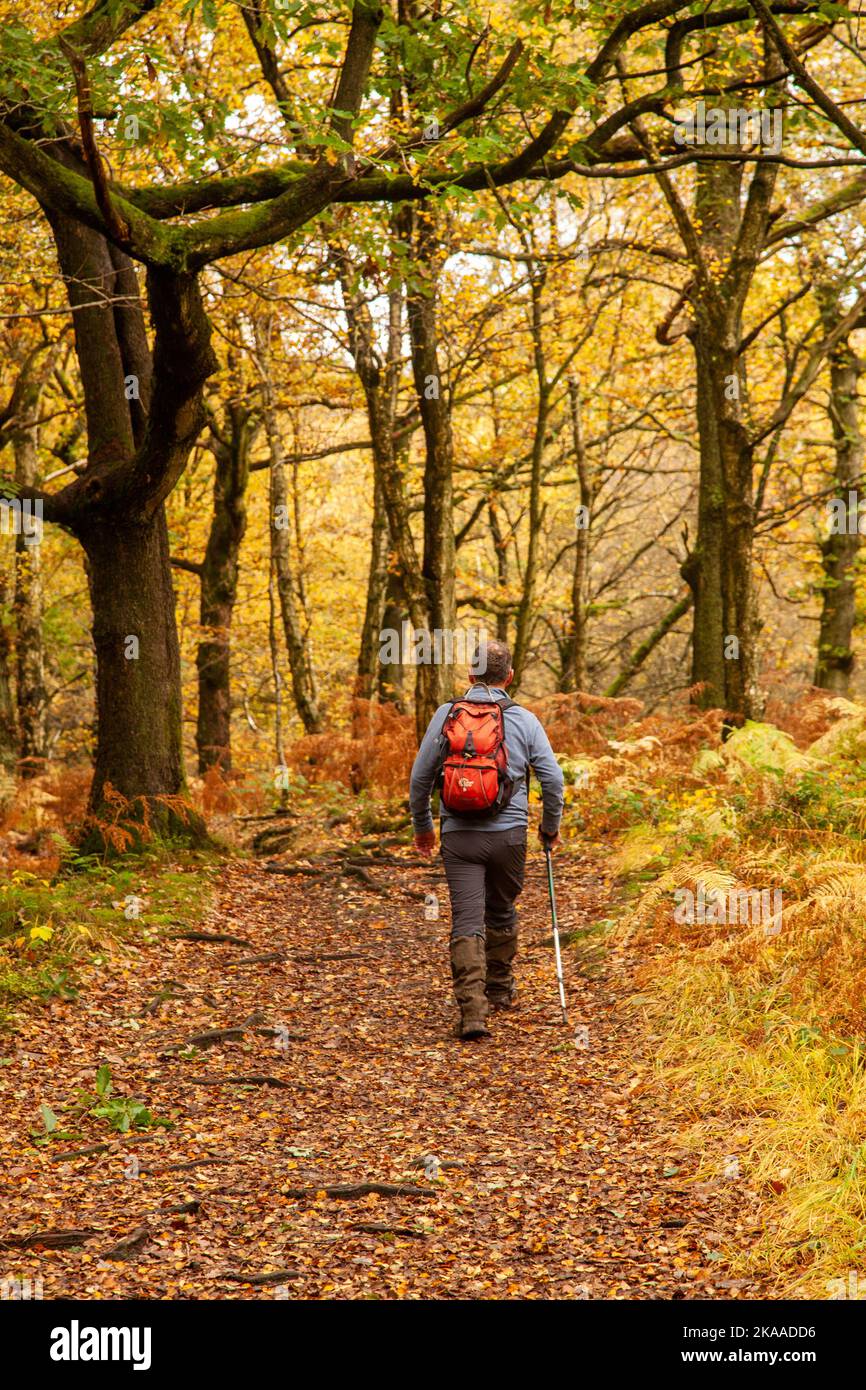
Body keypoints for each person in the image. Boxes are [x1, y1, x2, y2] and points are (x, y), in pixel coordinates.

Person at [409, 638, 564, 1040]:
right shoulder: (526, 720)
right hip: (509, 836)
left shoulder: (447, 714)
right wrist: (550, 826)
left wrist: (423, 825)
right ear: (510, 677)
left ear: (470, 675)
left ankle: (473, 1013)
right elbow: (553, 779)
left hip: (459, 836)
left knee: (466, 919)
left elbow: (420, 778)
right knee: (501, 909)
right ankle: (499, 988)